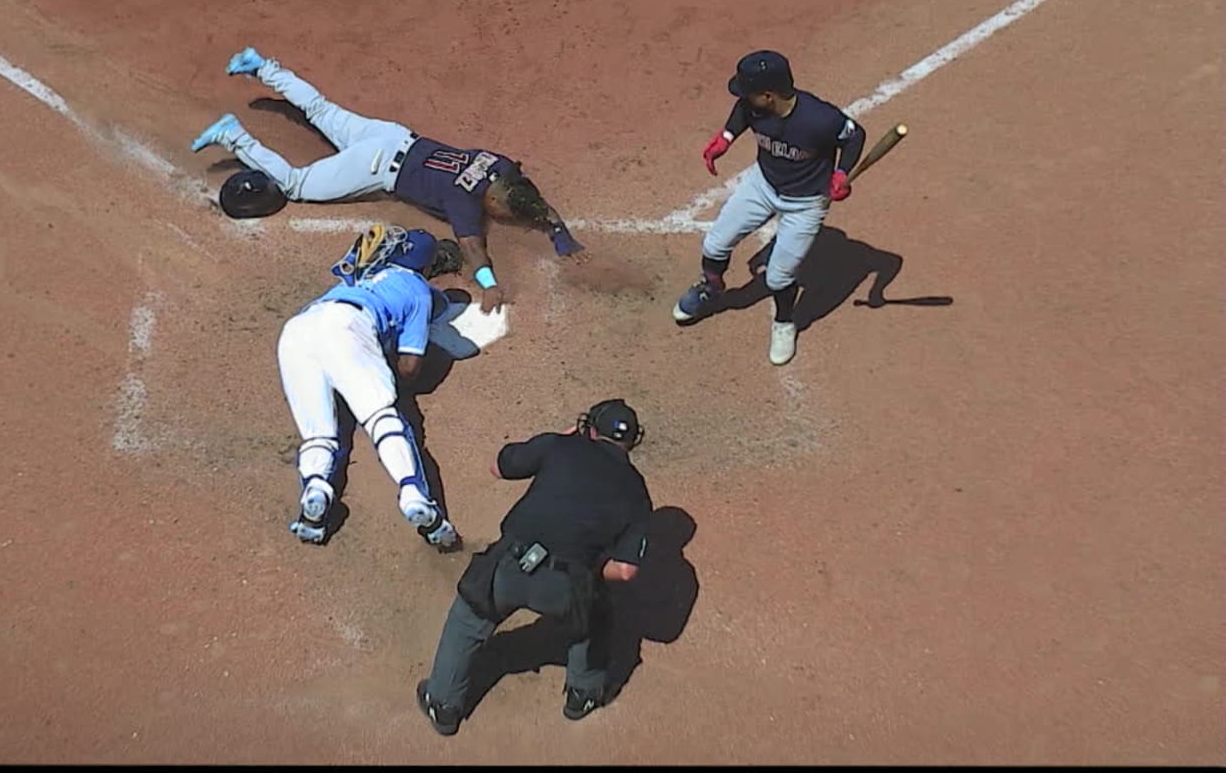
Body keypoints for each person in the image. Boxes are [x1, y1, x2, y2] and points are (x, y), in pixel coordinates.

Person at [191, 47, 586, 313]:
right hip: (376, 166)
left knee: (319, 108)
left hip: (392, 135)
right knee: (295, 185)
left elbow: (530, 197)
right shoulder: (464, 200)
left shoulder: (499, 166)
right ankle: (232, 135)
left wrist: (559, 233)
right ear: (496, 201)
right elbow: (472, 247)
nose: (498, 213)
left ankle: (260, 65)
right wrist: (489, 283)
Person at [414, 399, 653, 735]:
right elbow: (626, 570)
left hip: (508, 568)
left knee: (468, 617)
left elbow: (499, 466)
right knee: (595, 613)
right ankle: (582, 694)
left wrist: (560, 439)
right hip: (566, 587)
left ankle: (443, 704)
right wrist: (588, 573)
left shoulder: (561, 445)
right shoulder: (637, 491)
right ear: (632, 441)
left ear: (591, 428)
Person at [276, 223, 465, 550]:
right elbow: (409, 366)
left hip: (298, 329)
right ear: (427, 267)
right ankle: (414, 497)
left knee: (319, 433)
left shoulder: (367, 271)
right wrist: (385, 373)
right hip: (349, 329)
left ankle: (315, 499)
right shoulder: (418, 289)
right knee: (383, 417)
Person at [673, 50, 867, 366]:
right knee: (715, 244)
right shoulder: (756, 106)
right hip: (761, 186)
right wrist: (726, 137)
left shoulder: (820, 119)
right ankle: (711, 288)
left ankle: (784, 322)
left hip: (805, 204)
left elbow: (855, 136)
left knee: (778, 277)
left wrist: (841, 172)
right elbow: (742, 111)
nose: (744, 97)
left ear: (768, 95)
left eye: (749, 92)